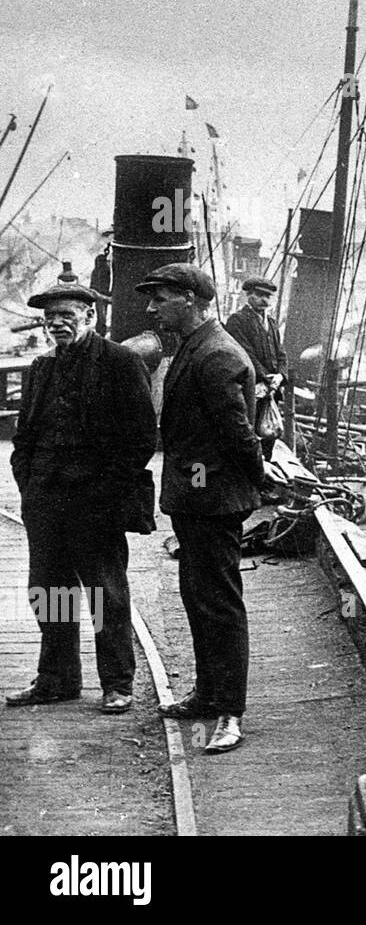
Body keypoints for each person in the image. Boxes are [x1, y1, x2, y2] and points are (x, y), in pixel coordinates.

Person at [7, 278, 156, 713]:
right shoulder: (41, 368)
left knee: (104, 593)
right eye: (51, 318)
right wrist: (28, 484)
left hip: (96, 503)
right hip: (45, 501)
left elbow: (141, 438)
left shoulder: (121, 363)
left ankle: (117, 683)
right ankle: (56, 679)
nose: (57, 324)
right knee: (49, 590)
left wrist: (106, 493)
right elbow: (25, 437)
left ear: (90, 317)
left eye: (66, 316)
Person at [137, 263, 264, 754]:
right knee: (199, 598)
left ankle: (230, 711)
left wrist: (258, 479)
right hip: (197, 500)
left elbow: (238, 435)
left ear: (189, 299)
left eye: (160, 299)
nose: (152, 308)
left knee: (220, 605)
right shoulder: (197, 346)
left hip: (213, 503)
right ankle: (208, 695)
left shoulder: (216, 355)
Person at [223, 277, 286, 457]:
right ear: (249, 295)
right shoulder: (237, 321)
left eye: (268, 296)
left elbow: (281, 353)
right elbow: (245, 353)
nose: (265, 300)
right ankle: (251, 469)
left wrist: (281, 375)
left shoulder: (272, 323)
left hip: (272, 387)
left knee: (269, 430)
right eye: (260, 295)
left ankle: (266, 466)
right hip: (252, 386)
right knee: (249, 430)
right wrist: (266, 377)